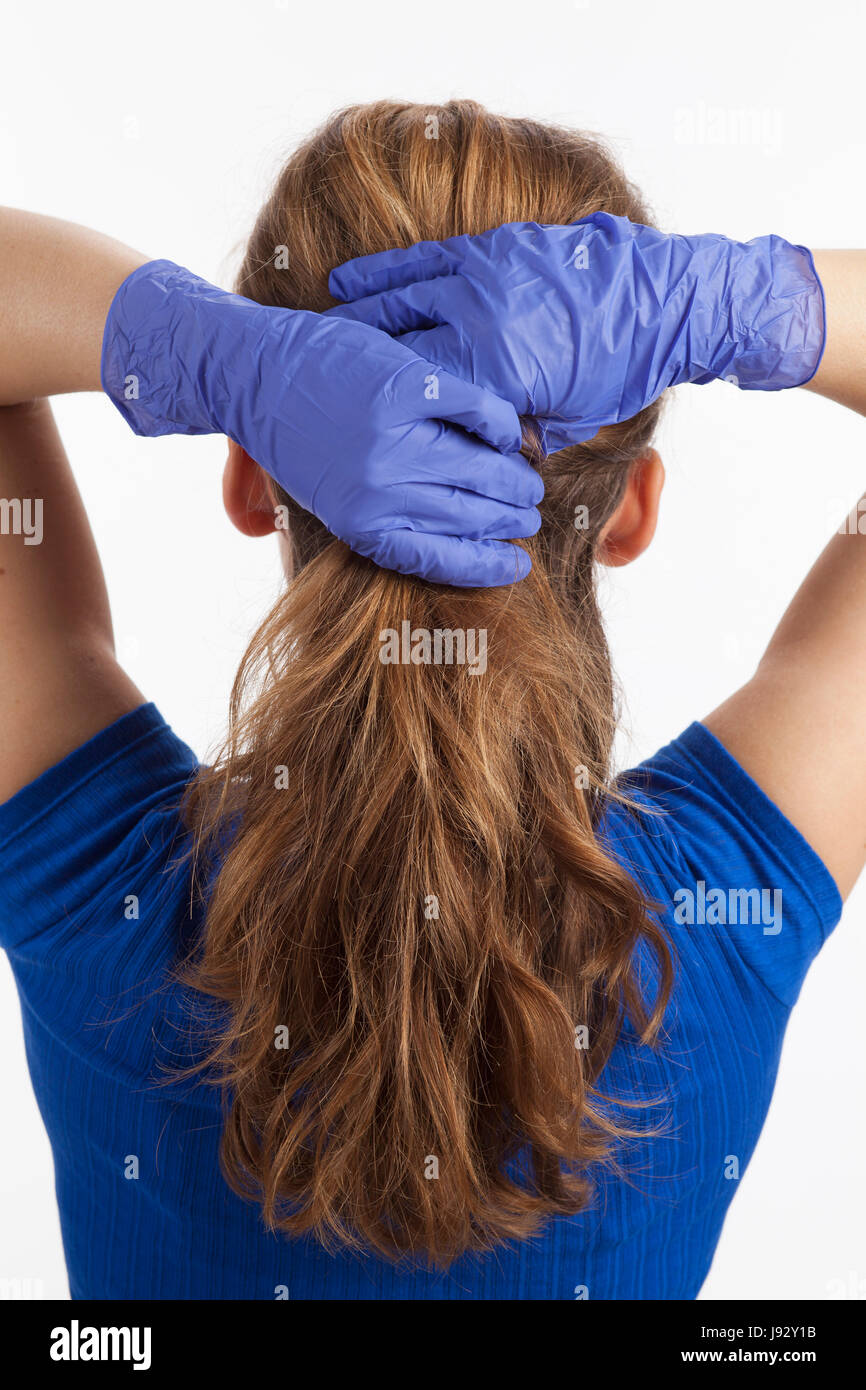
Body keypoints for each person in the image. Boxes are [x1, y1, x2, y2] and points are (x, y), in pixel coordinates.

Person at [0, 99, 861, 1300]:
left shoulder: (102, 883)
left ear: (250, 478)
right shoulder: (714, 913)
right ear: (629, 511)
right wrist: (731, 303)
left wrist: (206, 350)